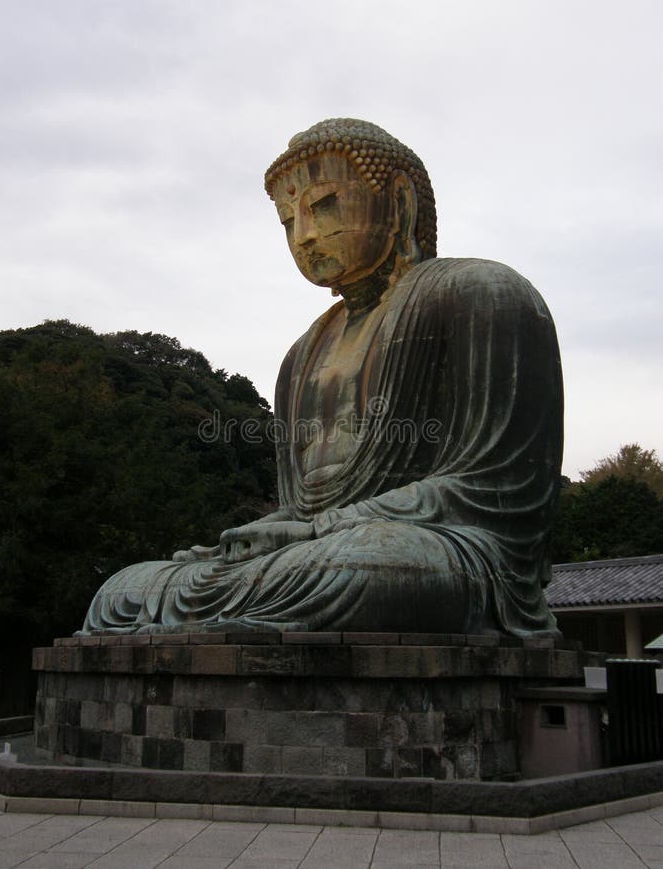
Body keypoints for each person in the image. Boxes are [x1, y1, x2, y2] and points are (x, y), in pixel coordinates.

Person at [80, 118, 562, 637]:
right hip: (313, 554)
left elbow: (498, 490)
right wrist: (262, 536)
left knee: (372, 569)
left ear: (399, 202)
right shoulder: (301, 355)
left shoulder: (481, 294)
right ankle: (232, 615)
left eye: (324, 206)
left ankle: (238, 615)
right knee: (128, 587)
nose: (305, 235)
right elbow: (298, 505)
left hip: (442, 552)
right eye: (288, 221)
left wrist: (317, 529)